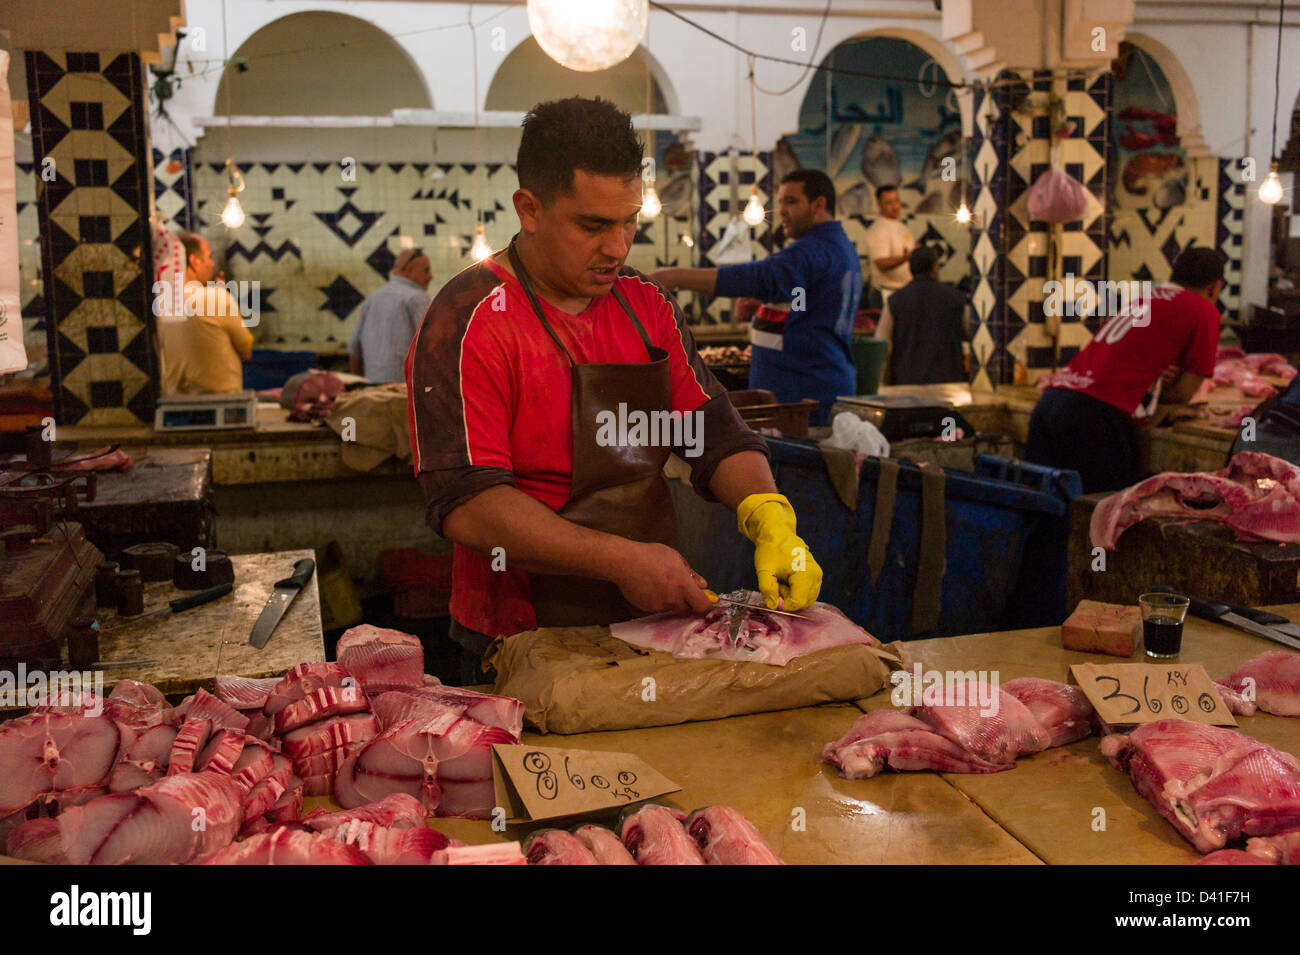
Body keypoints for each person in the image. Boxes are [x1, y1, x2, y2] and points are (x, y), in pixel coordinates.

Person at [406, 97, 823, 682]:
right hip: (517, 635)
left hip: (651, 620)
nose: (618, 247)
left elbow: (711, 431)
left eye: (629, 221)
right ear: (529, 209)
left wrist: (769, 513)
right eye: (594, 225)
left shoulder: (645, 303)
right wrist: (621, 560)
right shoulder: (468, 318)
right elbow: (468, 504)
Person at [650, 169, 861, 425]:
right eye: (780, 201)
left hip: (806, 396)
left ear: (818, 205)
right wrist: (765, 302)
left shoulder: (814, 249)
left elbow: (762, 276)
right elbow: (804, 301)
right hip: (811, 385)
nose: (781, 210)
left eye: (791, 202)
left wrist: (676, 277)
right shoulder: (836, 247)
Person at [1023, 247, 1225, 493]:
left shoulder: (1145, 298)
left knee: (1043, 513)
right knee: (1100, 516)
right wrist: (1166, 388)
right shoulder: (1204, 310)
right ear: (1215, 287)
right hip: (1095, 417)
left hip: (1051, 403)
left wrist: (1154, 382)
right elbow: (1184, 393)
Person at [157, 233, 253, 394]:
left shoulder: (162, 302)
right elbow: (246, 352)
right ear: (194, 261)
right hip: (221, 402)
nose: (212, 263)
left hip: (176, 404)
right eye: (209, 257)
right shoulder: (217, 298)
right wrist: (222, 298)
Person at [874, 244, 970, 385]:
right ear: (934, 267)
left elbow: (881, 344)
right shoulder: (957, 299)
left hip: (906, 385)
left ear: (910, 268)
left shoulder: (895, 301)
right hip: (949, 384)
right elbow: (974, 335)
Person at [349, 247, 432, 383]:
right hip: (403, 390)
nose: (431, 276)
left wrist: (359, 386)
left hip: (372, 389)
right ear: (409, 270)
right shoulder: (417, 299)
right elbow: (429, 347)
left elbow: (354, 350)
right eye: (426, 270)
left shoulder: (373, 298)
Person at [862, 185, 914, 304]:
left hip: (903, 291)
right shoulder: (878, 229)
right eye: (889, 202)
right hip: (884, 293)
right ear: (879, 204)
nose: (895, 206)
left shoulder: (903, 228)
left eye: (897, 200)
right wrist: (904, 258)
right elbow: (881, 264)